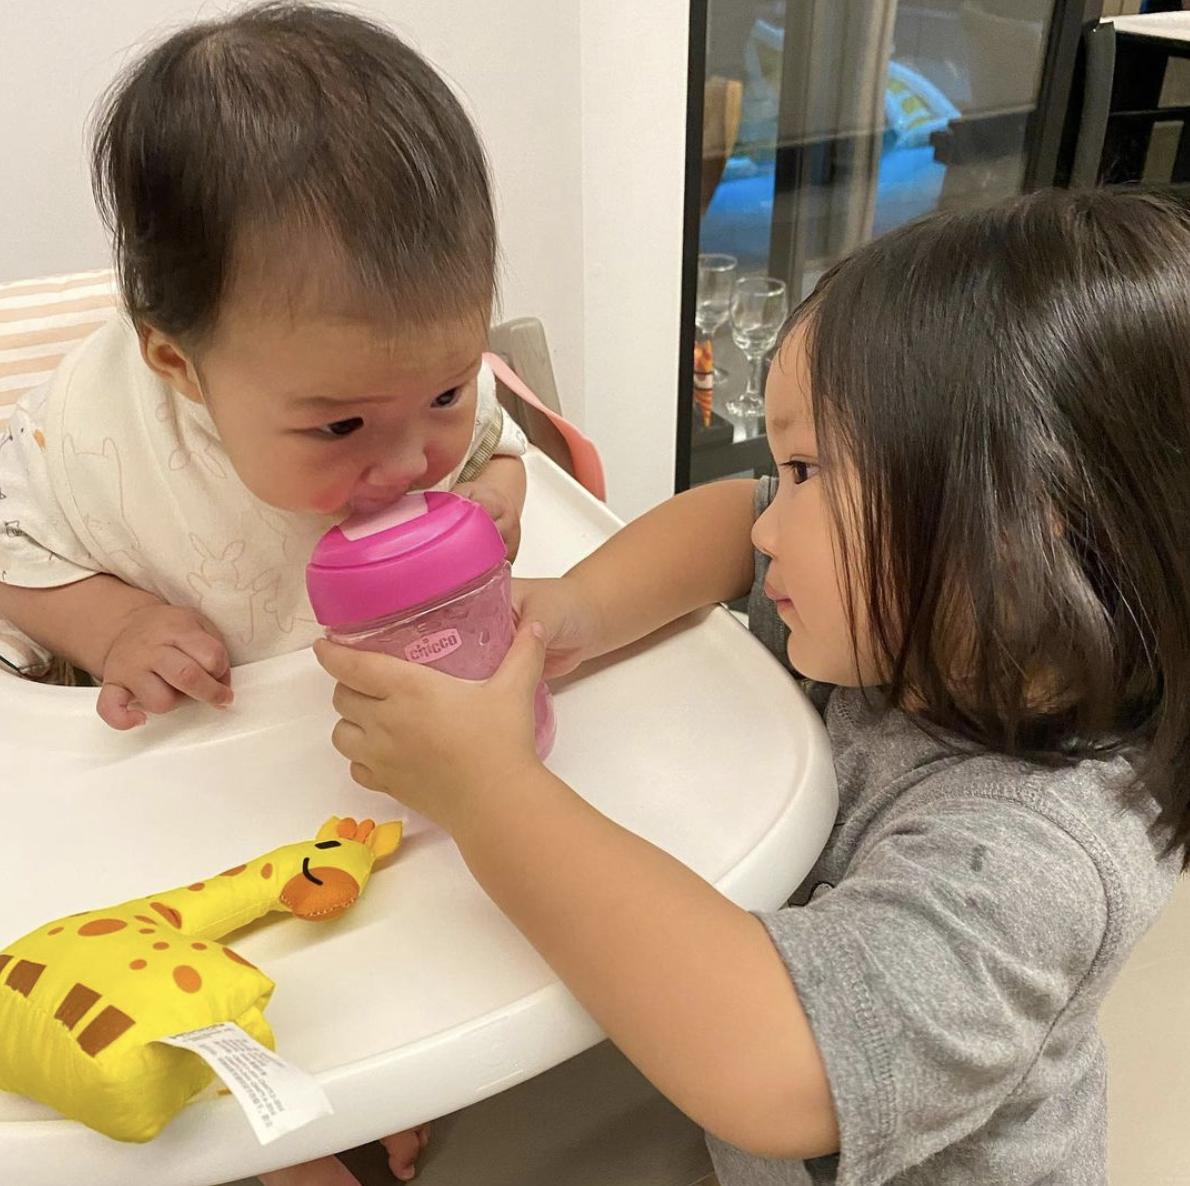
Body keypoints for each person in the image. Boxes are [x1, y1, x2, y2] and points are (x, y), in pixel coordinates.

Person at [318, 188, 1190, 1183]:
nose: (776, 518)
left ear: (1016, 522)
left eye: (812, 471)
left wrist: (488, 790)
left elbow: (779, 1067)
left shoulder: (1037, 859)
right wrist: (573, 612)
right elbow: (734, 523)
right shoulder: (924, 615)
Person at [0, 1, 525, 743]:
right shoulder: (95, 431)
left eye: (446, 393)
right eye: (341, 425)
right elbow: (13, 548)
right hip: (213, 751)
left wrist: (495, 501)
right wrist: (118, 628)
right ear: (178, 364)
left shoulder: (408, 377)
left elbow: (498, 450)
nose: (413, 462)